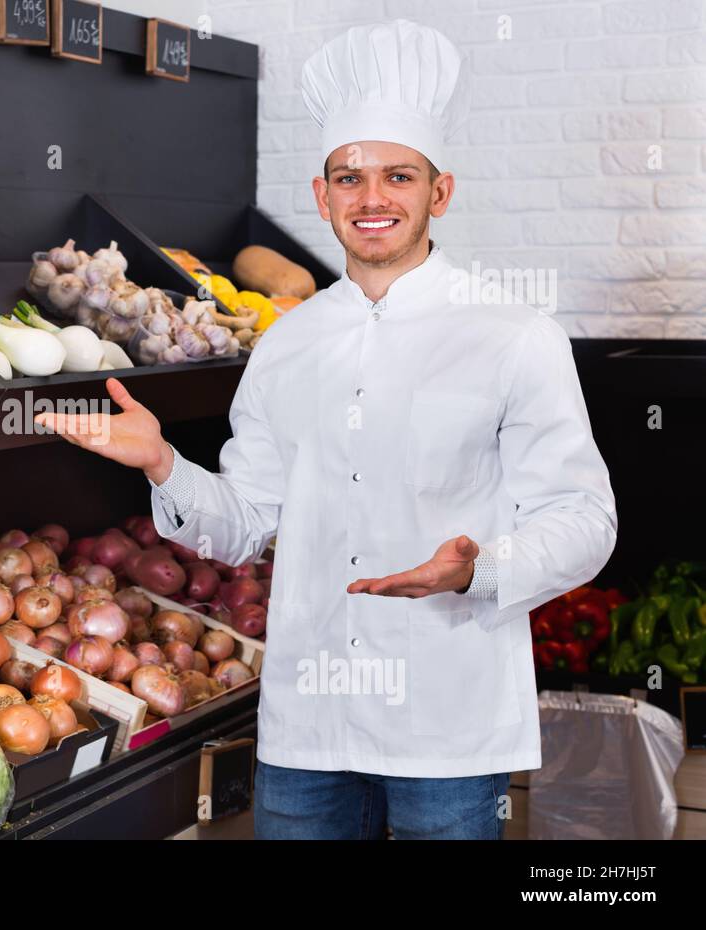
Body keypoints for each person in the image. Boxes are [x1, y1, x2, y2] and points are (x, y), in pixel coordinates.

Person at [34, 19, 617, 839]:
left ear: (438, 192)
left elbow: (586, 518)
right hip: (308, 730)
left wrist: (480, 571)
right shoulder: (287, 343)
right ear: (322, 195)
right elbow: (246, 525)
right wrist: (165, 463)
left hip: (446, 730)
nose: (371, 198)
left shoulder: (514, 335)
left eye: (397, 176)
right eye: (349, 178)